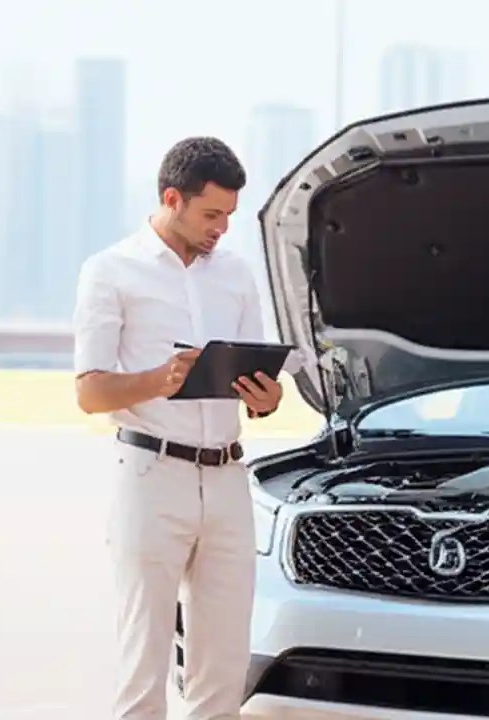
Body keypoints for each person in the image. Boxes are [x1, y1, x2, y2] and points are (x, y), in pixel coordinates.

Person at [72, 137, 283, 719]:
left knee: (223, 670)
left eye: (229, 215)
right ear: (172, 198)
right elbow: (89, 392)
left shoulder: (236, 274)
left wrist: (267, 399)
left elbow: (257, 378)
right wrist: (159, 380)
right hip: (151, 475)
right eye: (211, 214)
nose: (222, 229)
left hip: (227, 478)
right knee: (143, 666)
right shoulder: (110, 271)